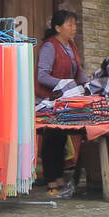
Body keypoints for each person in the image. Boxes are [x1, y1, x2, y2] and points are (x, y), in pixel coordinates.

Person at [35, 10, 90, 191]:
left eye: (75, 24)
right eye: (70, 24)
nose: (74, 28)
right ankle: (51, 178)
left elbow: (78, 71)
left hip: (65, 101)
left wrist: (88, 85)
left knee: (61, 138)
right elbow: (42, 75)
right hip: (48, 100)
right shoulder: (50, 47)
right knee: (51, 138)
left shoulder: (71, 45)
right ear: (58, 28)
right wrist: (64, 84)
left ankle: (59, 176)